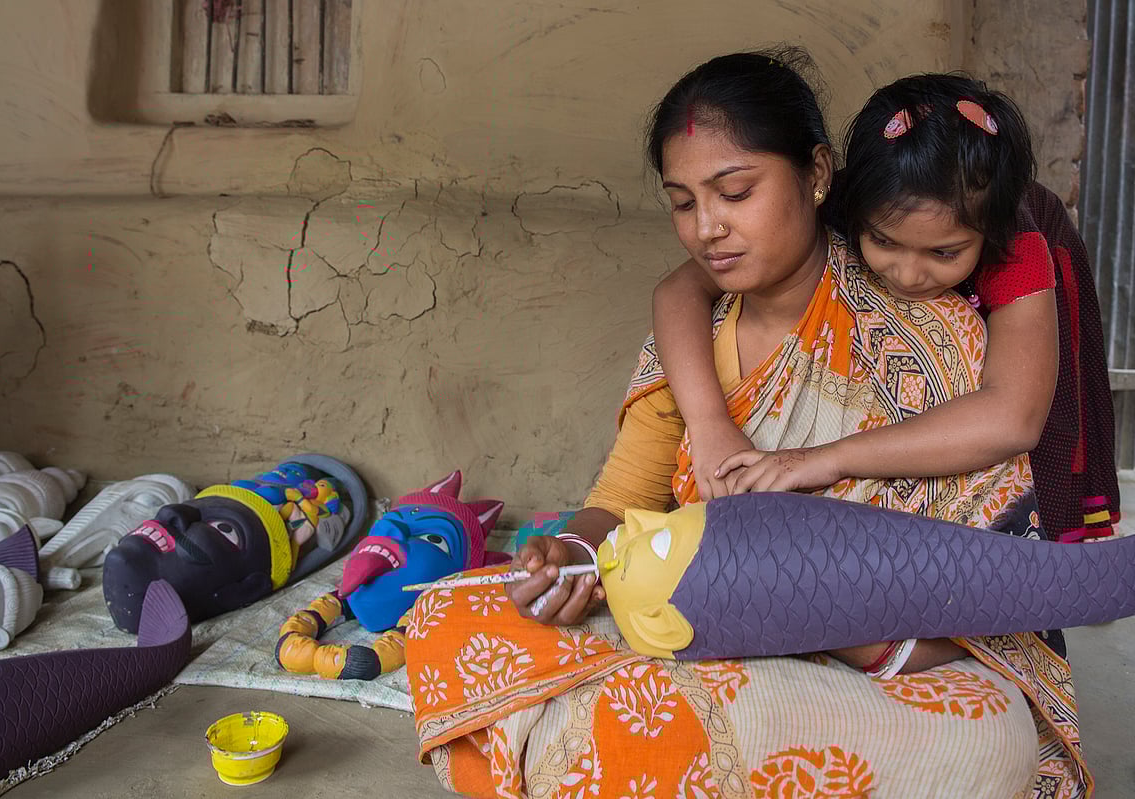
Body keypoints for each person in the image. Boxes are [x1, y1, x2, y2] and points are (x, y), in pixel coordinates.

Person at [405, 49, 1089, 797]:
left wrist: (823, 610)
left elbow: (985, 589)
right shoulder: (693, 337)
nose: (708, 228)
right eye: (683, 201)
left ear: (819, 175)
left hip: (882, 666)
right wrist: (567, 554)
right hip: (707, 635)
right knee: (445, 617)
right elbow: (620, 500)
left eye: (735, 192)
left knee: (991, 739)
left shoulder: (929, 337)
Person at [654, 73, 1120, 543]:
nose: (908, 274)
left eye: (944, 253)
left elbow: (1014, 418)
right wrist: (709, 423)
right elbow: (677, 292)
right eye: (882, 241)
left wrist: (827, 458)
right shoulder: (838, 203)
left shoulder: (1014, 246)